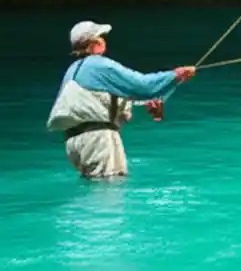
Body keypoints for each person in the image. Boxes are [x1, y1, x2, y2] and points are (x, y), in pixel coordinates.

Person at [45, 21, 196, 180]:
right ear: (95, 43)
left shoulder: (72, 71)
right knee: (109, 189)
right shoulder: (99, 65)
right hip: (98, 140)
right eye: (101, 37)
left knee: (95, 187)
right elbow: (143, 86)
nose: (104, 41)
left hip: (73, 143)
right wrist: (176, 75)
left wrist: (148, 102)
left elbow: (95, 103)